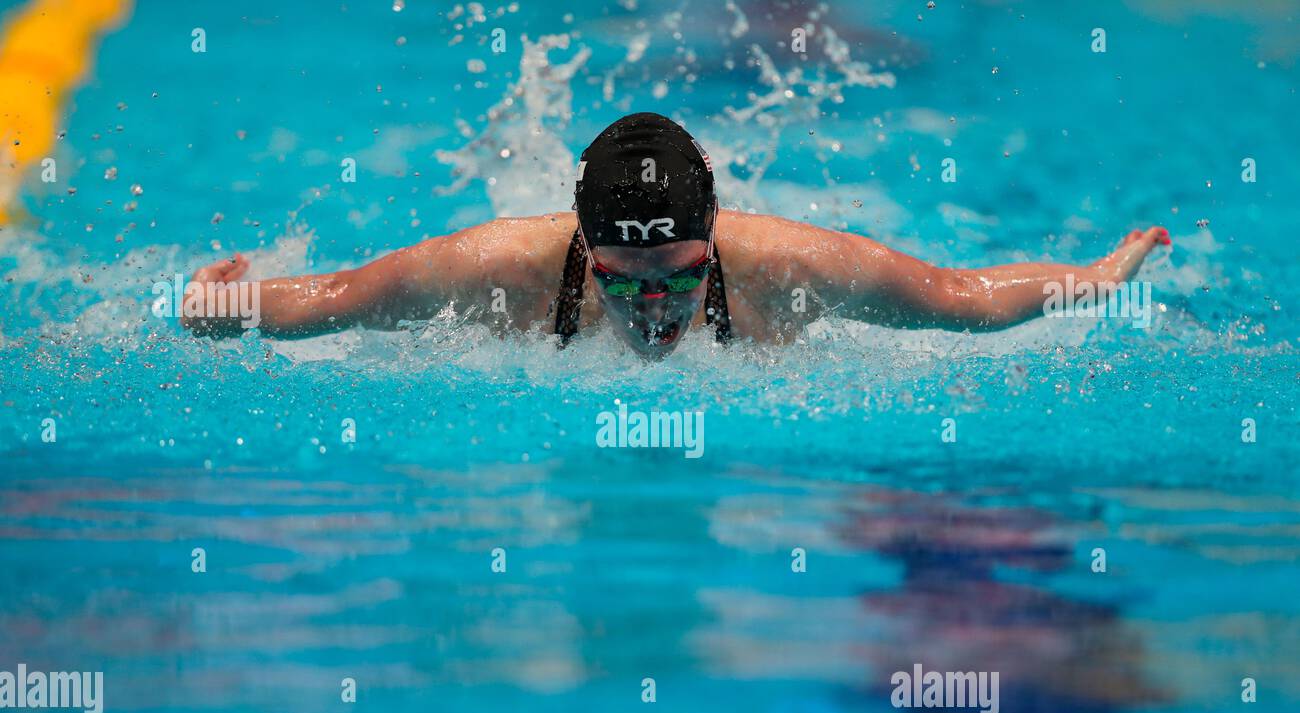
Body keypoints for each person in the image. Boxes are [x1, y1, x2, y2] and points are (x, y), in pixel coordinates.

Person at [181, 112, 1171, 359]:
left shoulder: (788, 265)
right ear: (582, 250)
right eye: (620, 278)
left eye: (679, 274)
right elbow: (339, 297)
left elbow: (959, 298)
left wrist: (1092, 275)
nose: (652, 304)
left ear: (714, 243)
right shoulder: (499, 268)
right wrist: (222, 305)